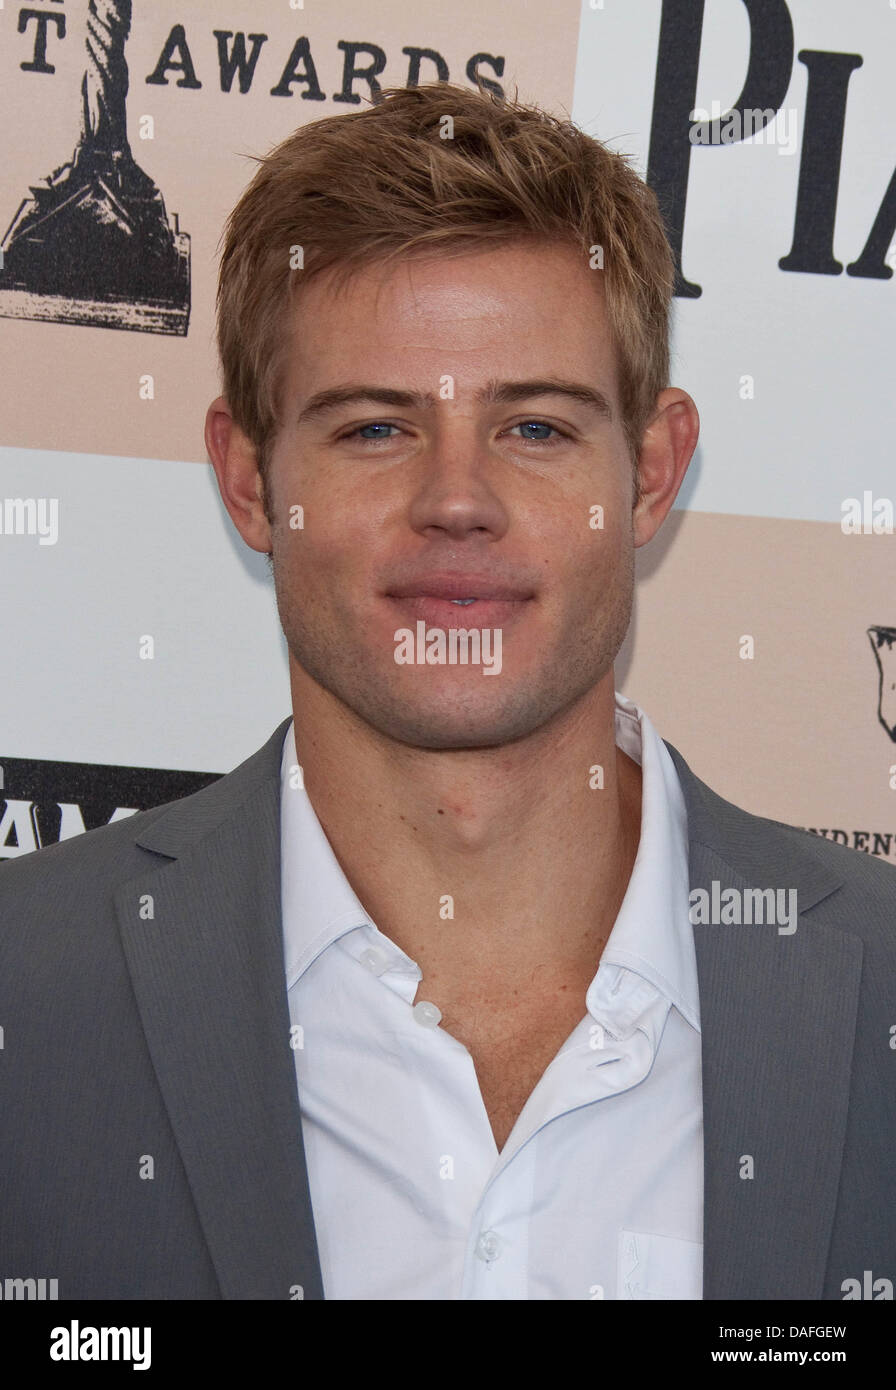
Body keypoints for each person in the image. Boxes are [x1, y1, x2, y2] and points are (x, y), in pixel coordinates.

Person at [1, 81, 893, 1302]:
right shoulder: (26, 985)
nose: (456, 499)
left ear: (649, 473)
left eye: (534, 427)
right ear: (250, 479)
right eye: (374, 429)